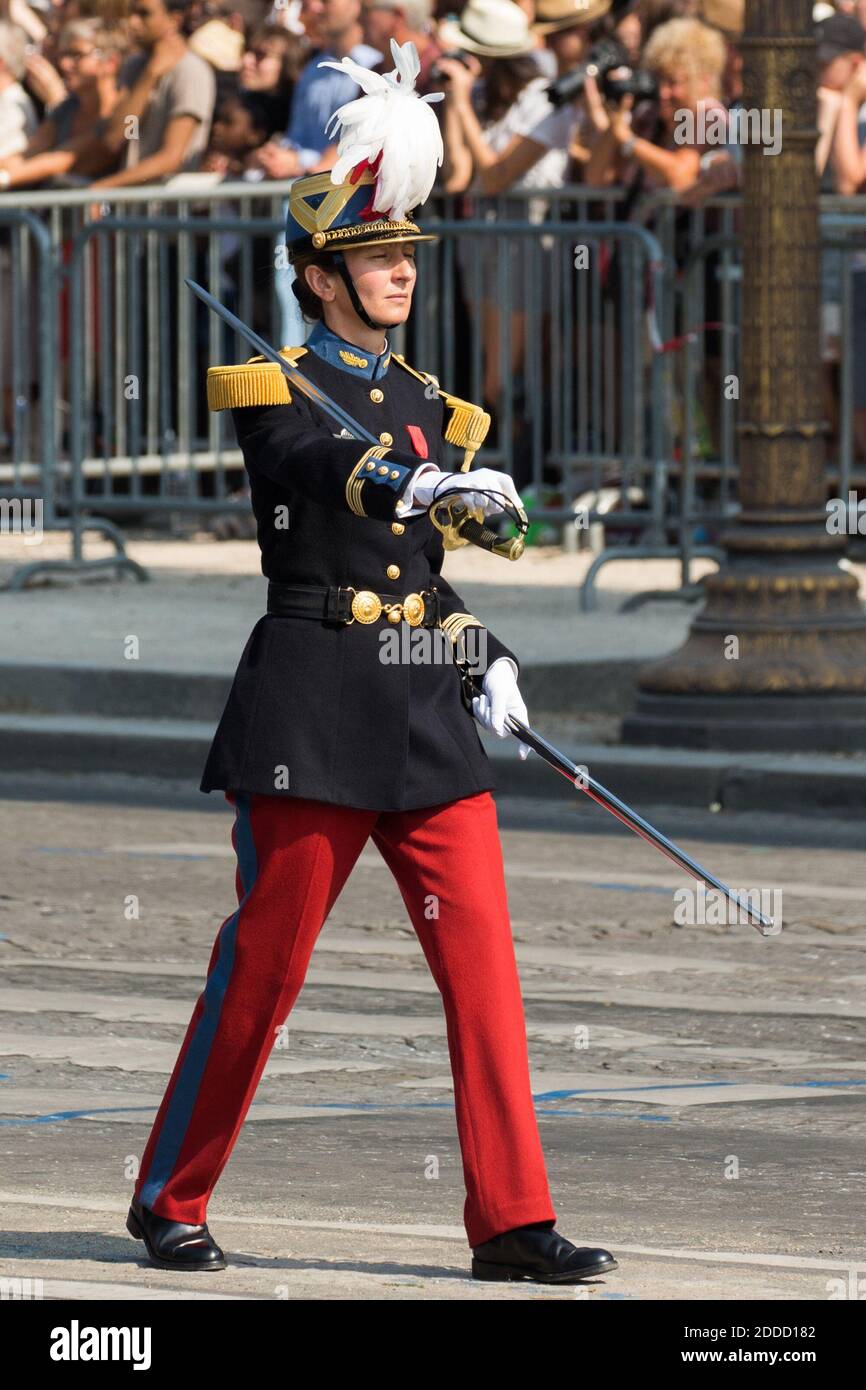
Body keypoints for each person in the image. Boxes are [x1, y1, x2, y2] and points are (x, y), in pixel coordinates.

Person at [126, 36, 619, 1287]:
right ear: (318, 277)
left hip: (422, 700)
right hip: (312, 702)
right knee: (265, 968)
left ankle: (510, 1220)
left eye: (402, 253)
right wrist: (412, 477)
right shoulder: (276, 385)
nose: (399, 272)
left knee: (484, 973)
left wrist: (491, 654)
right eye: (373, 258)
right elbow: (312, 473)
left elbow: (434, 570)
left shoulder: (427, 401)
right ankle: (169, 1191)